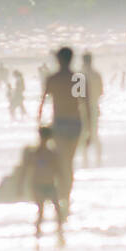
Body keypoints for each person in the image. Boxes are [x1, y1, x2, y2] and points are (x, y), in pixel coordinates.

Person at [38, 47, 87, 213]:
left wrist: (39, 124)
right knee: (69, 162)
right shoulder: (77, 78)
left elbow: (43, 101)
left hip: (59, 123)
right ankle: (66, 195)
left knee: (61, 161)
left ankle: (62, 194)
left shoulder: (52, 79)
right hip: (74, 123)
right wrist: (88, 130)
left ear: (58, 60)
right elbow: (83, 104)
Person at [28, 127, 65, 248]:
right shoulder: (35, 153)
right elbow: (27, 170)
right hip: (38, 186)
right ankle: (37, 235)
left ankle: (60, 233)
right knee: (41, 211)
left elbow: (59, 171)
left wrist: (63, 184)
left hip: (50, 185)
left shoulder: (52, 154)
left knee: (57, 210)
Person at [81, 53, 104, 167]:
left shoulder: (79, 75)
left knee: (83, 135)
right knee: (94, 134)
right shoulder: (96, 74)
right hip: (94, 107)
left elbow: (77, 95)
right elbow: (101, 92)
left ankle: (85, 162)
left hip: (82, 110)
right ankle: (98, 160)